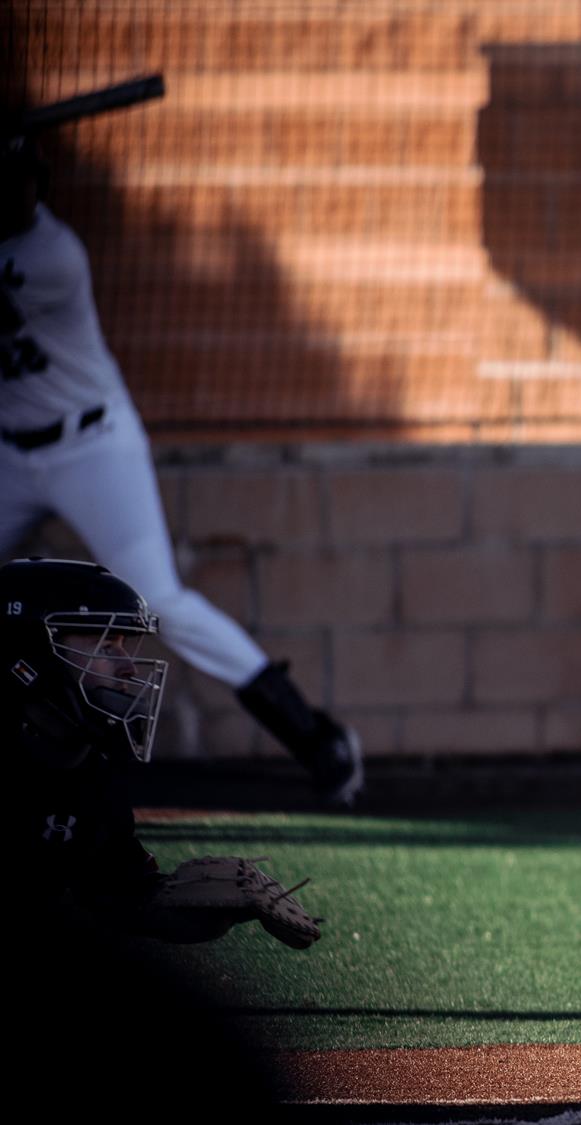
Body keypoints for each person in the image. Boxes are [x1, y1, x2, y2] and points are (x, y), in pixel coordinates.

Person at [0, 130, 361, 807]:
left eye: (21, 179)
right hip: (7, 454)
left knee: (159, 601)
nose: (13, 192)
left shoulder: (56, 255)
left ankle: (316, 739)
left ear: (38, 185)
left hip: (92, 446)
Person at [5, 556, 322, 948]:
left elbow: (121, 897)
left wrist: (205, 909)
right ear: (27, 657)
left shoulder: (89, 773)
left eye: (124, 644)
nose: (128, 668)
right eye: (106, 644)